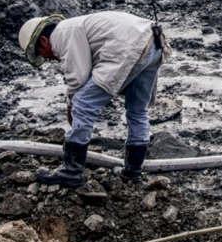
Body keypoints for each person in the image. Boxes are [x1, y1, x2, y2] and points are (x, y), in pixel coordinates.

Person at [18, 10, 164, 187]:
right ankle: (132, 172)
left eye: (43, 54)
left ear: (43, 41)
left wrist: (72, 105)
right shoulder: (75, 26)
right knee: (138, 110)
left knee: (82, 103)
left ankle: (71, 172)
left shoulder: (62, 33)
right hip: (153, 41)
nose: (49, 59)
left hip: (129, 46)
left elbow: (78, 77)